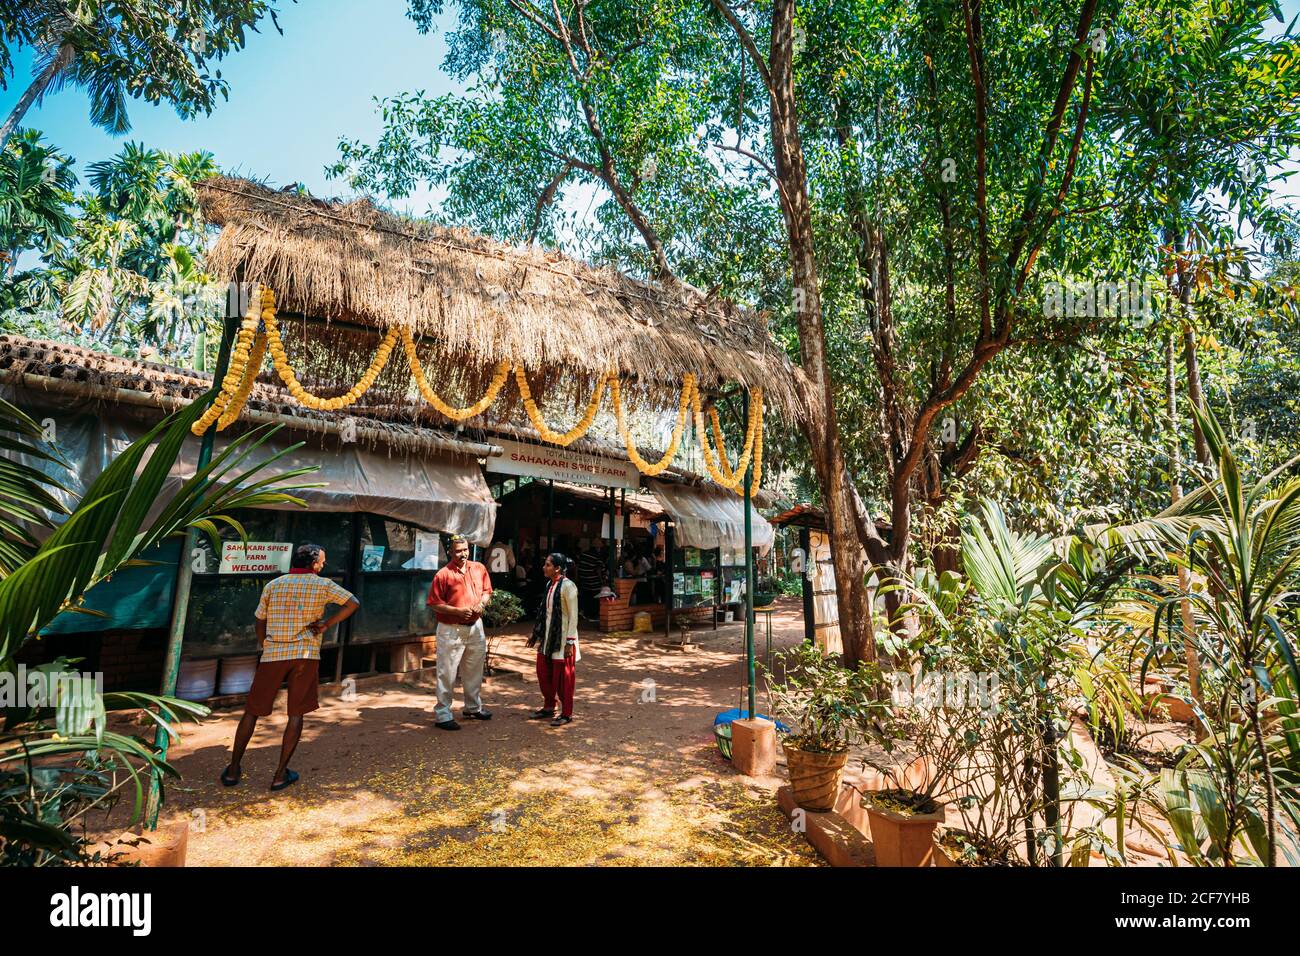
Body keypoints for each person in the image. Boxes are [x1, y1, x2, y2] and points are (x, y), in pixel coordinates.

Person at [221, 543, 358, 792]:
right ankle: (280, 774)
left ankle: (232, 770)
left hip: (273, 654)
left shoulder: (274, 585)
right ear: (314, 564)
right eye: (322, 561)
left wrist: (265, 644)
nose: (324, 565)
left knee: (252, 711)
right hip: (305, 656)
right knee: (295, 714)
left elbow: (259, 619)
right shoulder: (323, 585)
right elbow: (353, 603)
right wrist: (327, 625)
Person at [426, 534, 493, 730]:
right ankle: (442, 714)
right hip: (451, 629)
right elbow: (434, 604)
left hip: (476, 626)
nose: (462, 554)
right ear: (450, 552)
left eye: (465, 550)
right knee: (447, 672)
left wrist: (481, 604)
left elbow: (487, 591)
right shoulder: (443, 574)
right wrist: (457, 611)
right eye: (458, 551)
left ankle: (473, 707)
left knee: (474, 670)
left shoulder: (479, 568)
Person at [527, 552, 579, 726]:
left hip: (563, 641)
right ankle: (549, 706)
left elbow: (573, 616)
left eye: (548, 565)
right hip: (548, 639)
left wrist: (570, 642)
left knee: (564, 679)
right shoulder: (550, 584)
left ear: (557, 568)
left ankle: (567, 713)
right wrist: (536, 634)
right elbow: (544, 612)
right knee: (543, 673)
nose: (544, 567)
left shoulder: (568, 586)